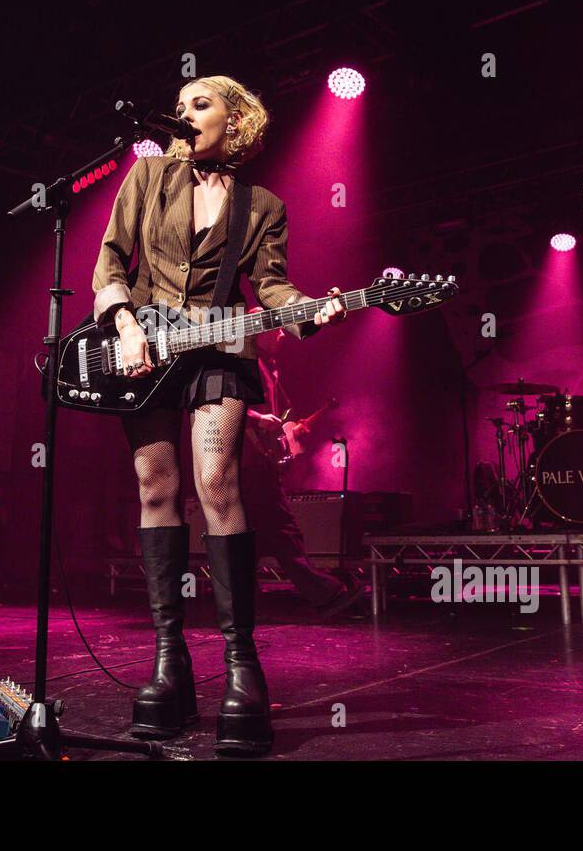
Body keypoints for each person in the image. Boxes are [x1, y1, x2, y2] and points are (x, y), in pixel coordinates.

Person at [92, 75, 347, 755]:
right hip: (142, 346)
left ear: (236, 120)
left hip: (220, 347)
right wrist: (123, 323)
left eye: (199, 104)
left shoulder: (261, 205)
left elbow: (273, 286)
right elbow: (112, 258)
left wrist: (310, 311)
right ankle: (169, 664)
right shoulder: (147, 177)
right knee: (157, 489)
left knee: (218, 484)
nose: (184, 114)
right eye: (178, 106)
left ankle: (242, 666)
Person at [243, 308, 366, 617]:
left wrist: (287, 432)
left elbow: (275, 419)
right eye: (277, 329)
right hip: (249, 462)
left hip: (259, 461)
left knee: (252, 536)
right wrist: (260, 420)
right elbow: (222, 406)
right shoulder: (245, 364)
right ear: (258, 331)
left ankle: (240, 603)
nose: (283, 333)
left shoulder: (269, 368)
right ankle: (324, 593)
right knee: (283, 530)